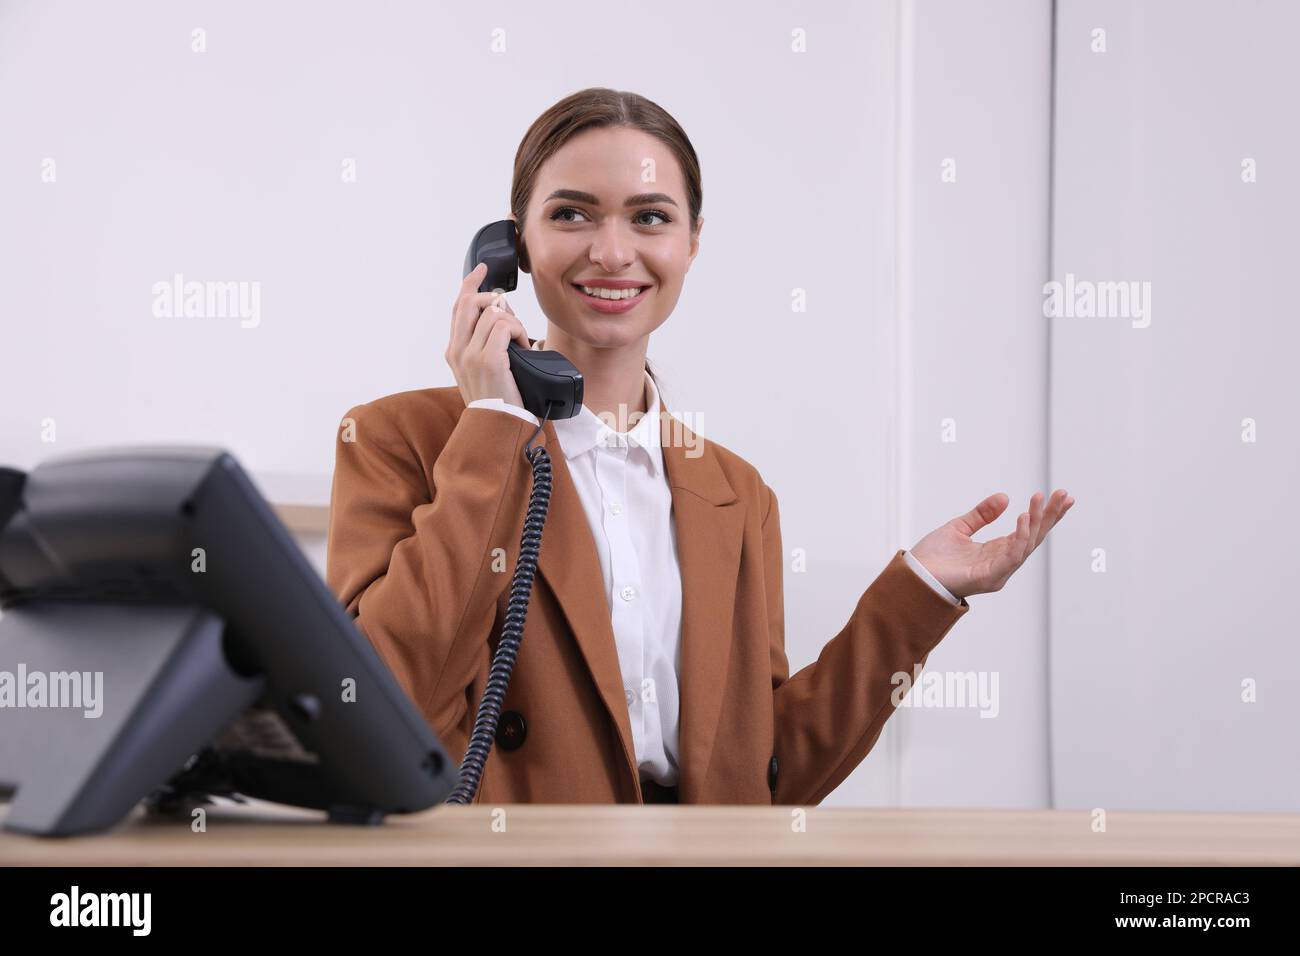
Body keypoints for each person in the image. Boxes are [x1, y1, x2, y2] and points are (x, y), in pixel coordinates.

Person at [326, 87, 1073, 805]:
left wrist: (920, 594)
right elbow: (382, 709)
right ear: (512, 245)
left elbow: (764, 773)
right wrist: (493, 421)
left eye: (650, 217)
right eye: (572, 214)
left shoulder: (737, 495)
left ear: (692, 242)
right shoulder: (406, 440)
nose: (612, 252)